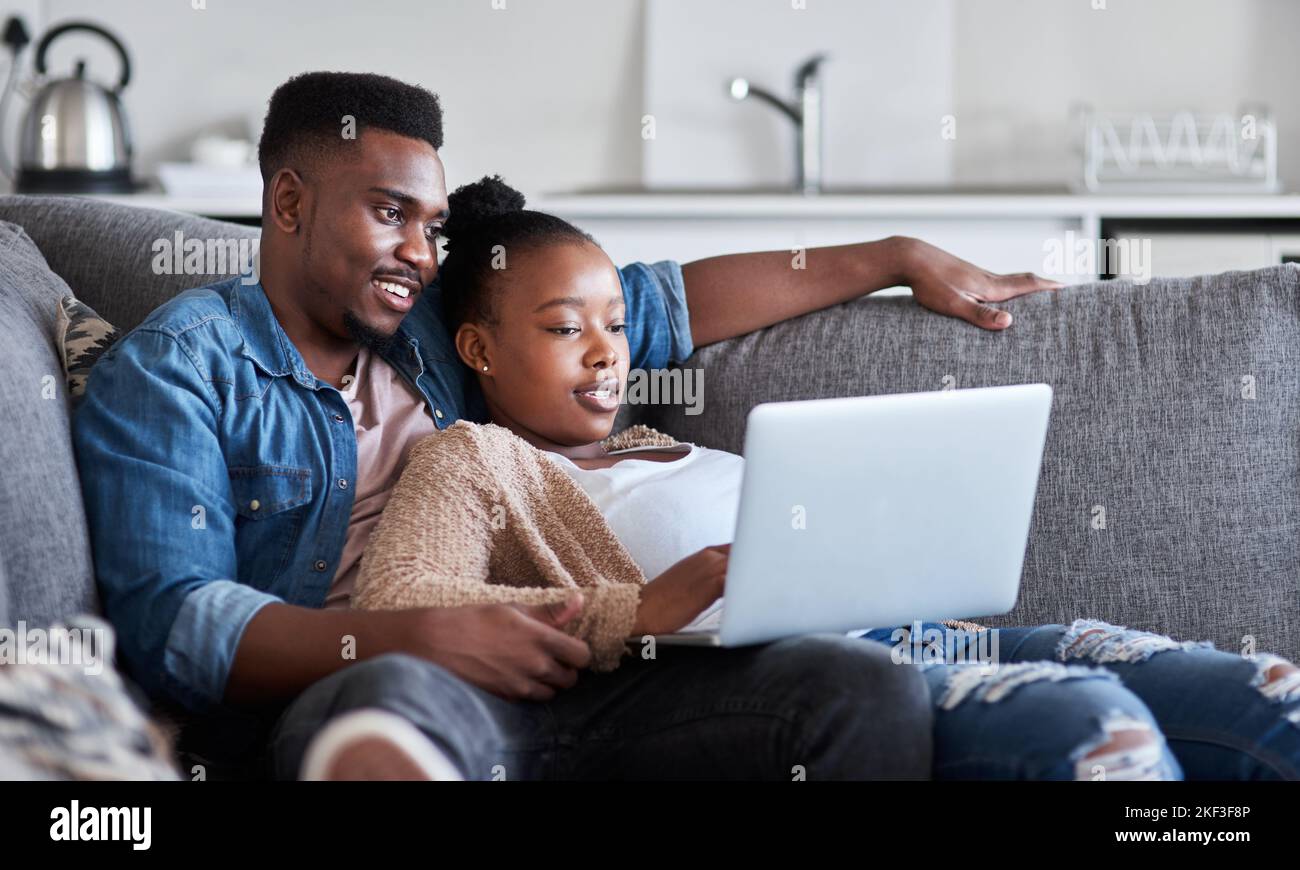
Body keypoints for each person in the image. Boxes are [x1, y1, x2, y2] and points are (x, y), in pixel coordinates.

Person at [71, 71, 1059, 781]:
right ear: (287, 203)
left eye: (430, 223)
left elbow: (661, 301)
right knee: (383, 717)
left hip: (584, 667)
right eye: (388, 214)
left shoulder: (436, 328)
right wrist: (401, 635)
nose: (418, 251)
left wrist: (892, 253)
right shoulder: (178, 370)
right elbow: (174, 623)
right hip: (376, 681)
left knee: (851, 689)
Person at [357, 172, 1300, 781]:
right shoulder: (477, 460)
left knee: (1263, 694)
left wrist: (896, 256)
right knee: (1093, 729)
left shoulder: (654, 437)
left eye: (616, 324)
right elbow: (399, 597)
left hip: (939, 637)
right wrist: (634, 610)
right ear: (477, 346)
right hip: (829, 683)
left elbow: (682, 302)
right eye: (567, 329)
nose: (605, 353)